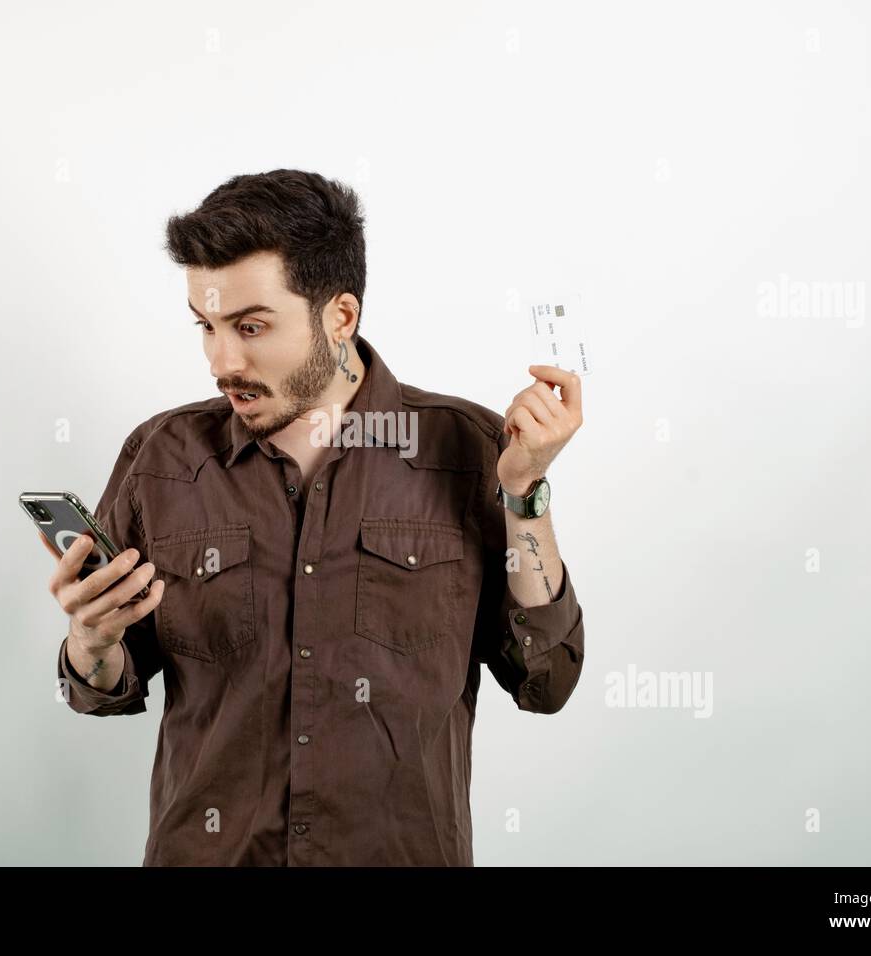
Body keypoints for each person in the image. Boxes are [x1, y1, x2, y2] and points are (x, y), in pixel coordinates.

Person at [38, 169, 586, 865]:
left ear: (341, 317)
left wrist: (525, 494)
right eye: (205, 326)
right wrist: (90, 640)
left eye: (251, 327)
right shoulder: (163, 459)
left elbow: (547, 680)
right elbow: (104, 688)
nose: (221, 360)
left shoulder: (467, 450)